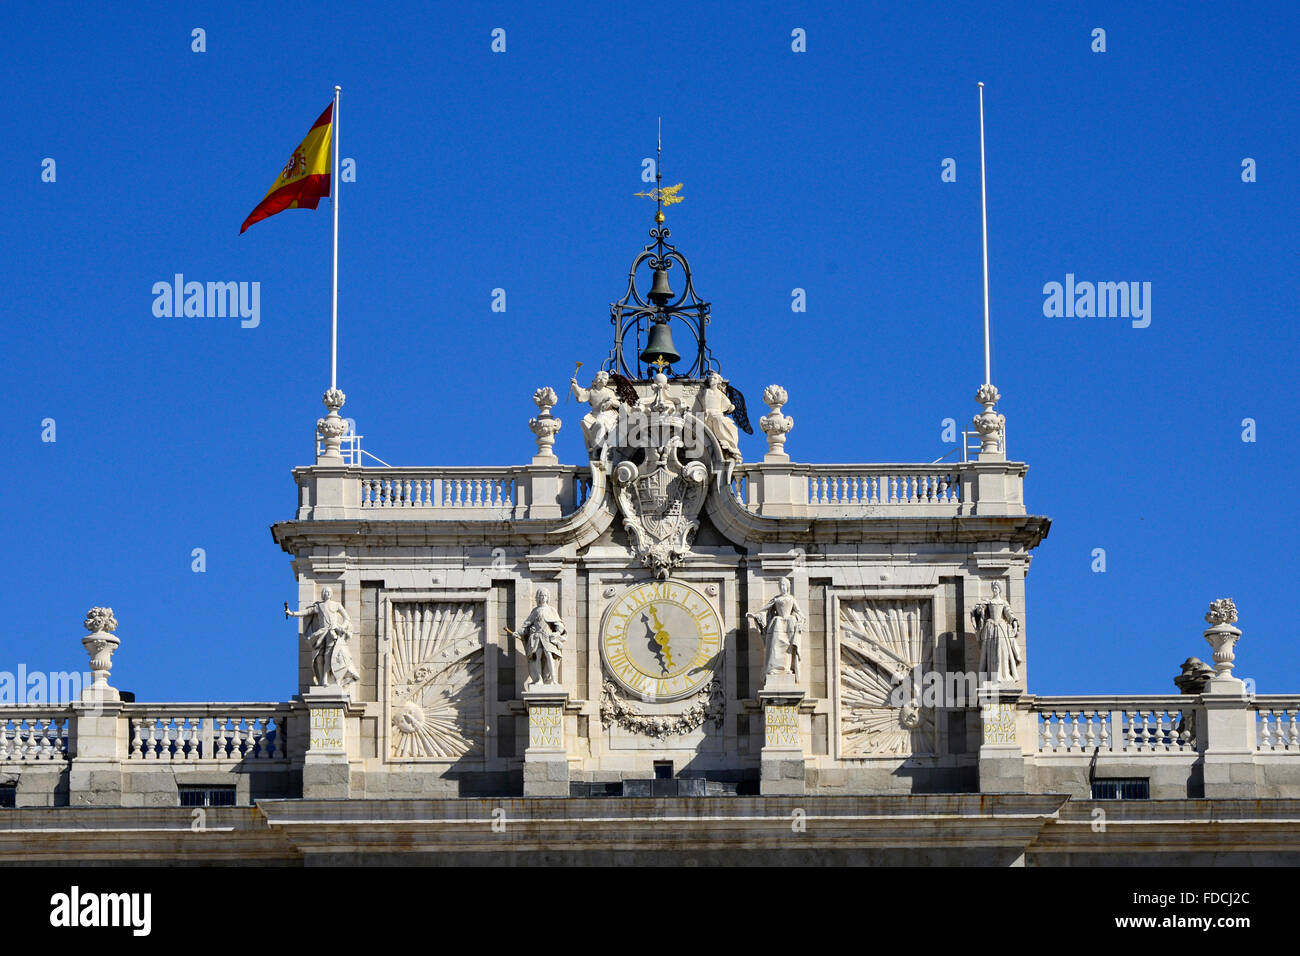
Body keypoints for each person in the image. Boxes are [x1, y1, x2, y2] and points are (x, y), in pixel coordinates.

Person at [285, 586, 360, 690]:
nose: (327, 594)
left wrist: (342, 627)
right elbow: (306, 612)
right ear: (322, 594)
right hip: (321, 633)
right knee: (319, 657)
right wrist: (292, 613)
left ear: (331, 594)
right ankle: (321, 679)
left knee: (328, 655)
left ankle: (325, 678)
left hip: (332, 632)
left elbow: (347, 617)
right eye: (325, 592)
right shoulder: (319, 606)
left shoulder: (336, 605)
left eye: (329, 592)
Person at [748, 577, 804, 679]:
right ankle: (774, 668)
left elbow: (799, 612)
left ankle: (787, 668)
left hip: (789, 623)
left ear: (787, 586)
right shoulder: (776, 599)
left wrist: (801, 620)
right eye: (780, 585)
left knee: (788, 648)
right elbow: (765, 609)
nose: (782, 587)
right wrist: (755, 615)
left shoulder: (791, 599)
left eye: (784, 585)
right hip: (777, 623)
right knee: (774, 646)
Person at [515, 587, 566, 687]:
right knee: (537, 657)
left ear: (548, 597)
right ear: (538, 597)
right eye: (541, 595)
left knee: (549, 655)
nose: (543, 597)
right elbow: (526, 625)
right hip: (536, 638)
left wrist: (557, 633)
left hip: (547, 636)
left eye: (545, 595)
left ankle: (553, 678)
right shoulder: (535, 611)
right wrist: (518, 632)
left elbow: (559, 625)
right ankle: (539, 679)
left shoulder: (551, 610)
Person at [973, 582, 1021, 684]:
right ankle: (991, 676)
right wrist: (980, 609)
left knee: (1002, 650)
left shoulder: (1003, 603)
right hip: (990, 628)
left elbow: (1009, 614)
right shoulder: (988, 602)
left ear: (999, 589)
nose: (994, 589)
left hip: (1000, 627)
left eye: (996, 588)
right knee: (991, 651)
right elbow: (977, 612)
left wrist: (1015, 623)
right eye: (993, 588)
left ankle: (1003, 674)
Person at [570, 371, 622, 458]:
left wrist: (611, 402)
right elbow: (580, 394)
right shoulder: (591, 391)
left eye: (605, 379)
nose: (602, 380)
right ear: (596, 380)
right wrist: (575, 386)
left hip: (608, 414)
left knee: (600, 423)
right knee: (584, 423)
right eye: (600, 378)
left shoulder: (608, 391)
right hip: (594, 415)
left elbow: (618, 403)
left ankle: (598, 447)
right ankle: (595, 446)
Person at [698, 371, 741, 462]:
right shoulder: (706, 391)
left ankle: (730, 446)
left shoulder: (720, 394)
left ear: (719, 382)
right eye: (710, 378)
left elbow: (728, 405)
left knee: (732, 427)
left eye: (714, 378)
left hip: (717, 414)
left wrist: (731, 407)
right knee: (718, 420)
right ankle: (725, 444)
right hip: (709, 414)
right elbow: (704, 404)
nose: (711, 379)